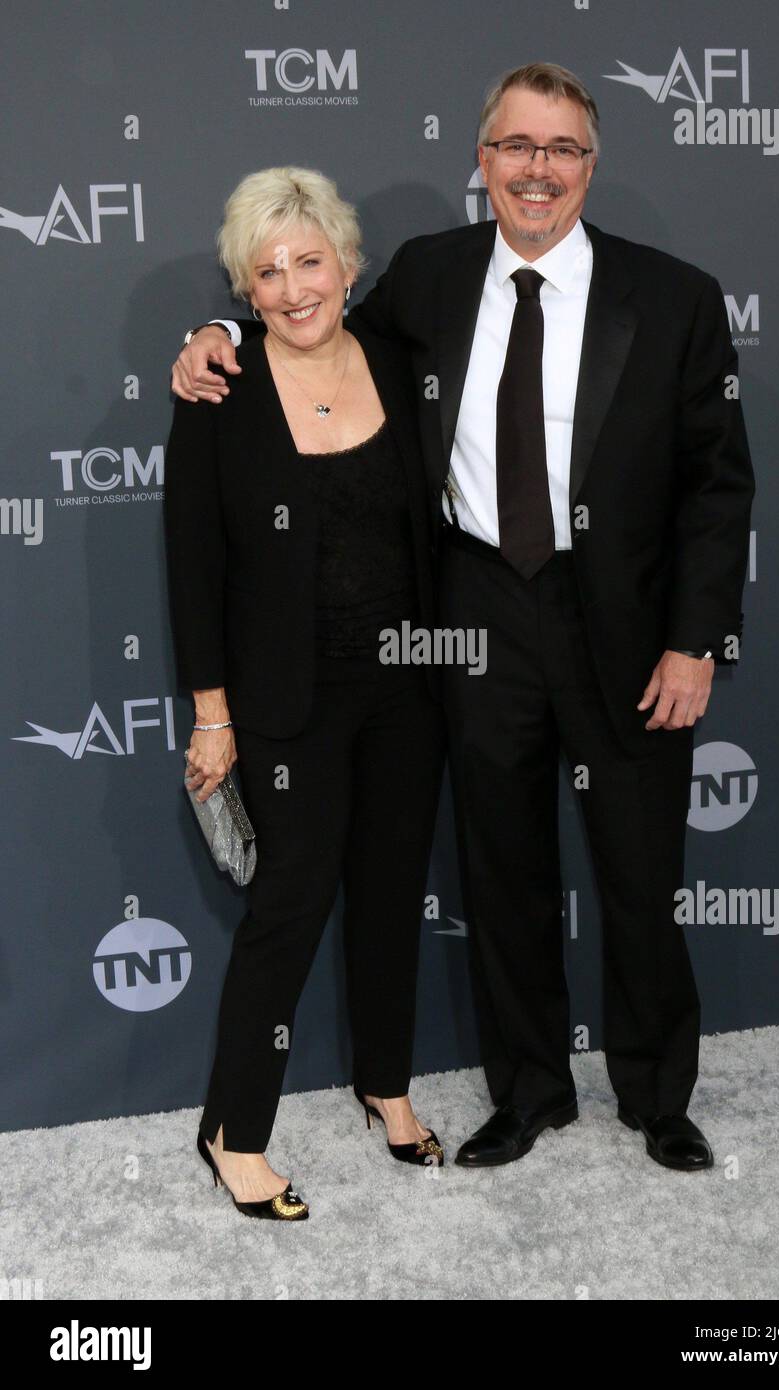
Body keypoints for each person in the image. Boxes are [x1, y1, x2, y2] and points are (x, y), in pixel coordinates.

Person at [171, 63, 755, 1174]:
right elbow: (303, 319)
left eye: (561, 149)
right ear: (480, 161)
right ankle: (528, 1090)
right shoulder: (429, 279)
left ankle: (656, 1096)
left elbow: (717, 489)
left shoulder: (675, 296)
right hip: (475, 614)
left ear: (590, 164)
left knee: (639, 872)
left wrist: (694, 638)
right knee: (502, 873)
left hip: (630, 631)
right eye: (514, 147)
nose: (536, 169)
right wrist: (213, 335)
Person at [163, 166, 447, 1221]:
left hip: (409, 690)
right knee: (289, 903)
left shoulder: (400, 351)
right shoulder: (219, 392)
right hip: (289, 702)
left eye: (307, 260)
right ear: (243, 291)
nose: (291, 288)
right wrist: (213, 715)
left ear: (347, 262)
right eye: (265, 272)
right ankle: (233, 1128)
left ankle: (385, 1083)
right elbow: (192, 568)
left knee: (390, 890)